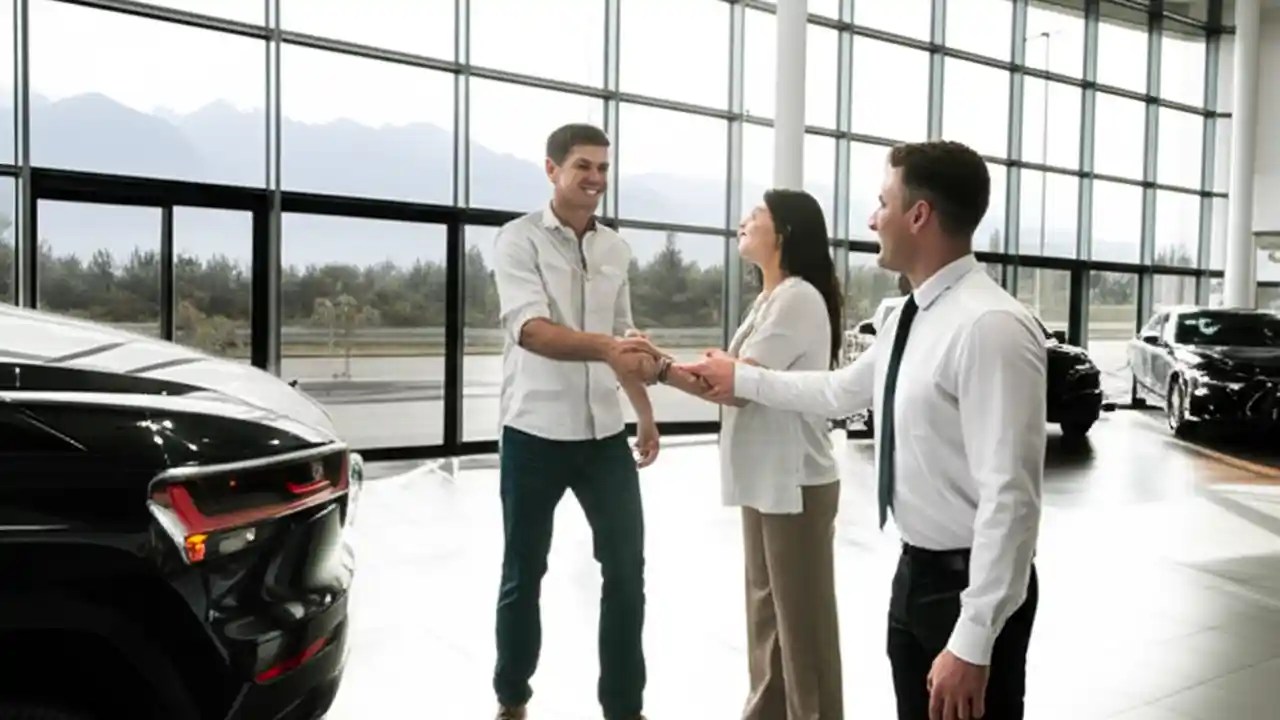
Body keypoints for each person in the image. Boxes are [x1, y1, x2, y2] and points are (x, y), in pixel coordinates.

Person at [681, 140, 1046, 720]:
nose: (873, 219)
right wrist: (742, 380)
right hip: (915, 571)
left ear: (919, 215)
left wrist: (974, 638)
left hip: (970, 587)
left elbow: (1013, 498)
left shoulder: (991, 326)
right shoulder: (907, 316)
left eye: (883, 203)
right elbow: (837, 391)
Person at [490, 122, 666, 720]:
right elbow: (530, 330)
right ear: (551, 170)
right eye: (583, 167)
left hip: (602, 438)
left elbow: (624, 339)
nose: (595, 180)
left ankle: (625, 708)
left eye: (604, 169)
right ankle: (512, 697)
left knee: (626, 575)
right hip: (533, 434)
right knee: (523, 573)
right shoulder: (517, 241)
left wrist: (643, 414)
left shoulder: (616, 249)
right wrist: (610, 349)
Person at [657, 189, 846, 719]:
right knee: (768, 619)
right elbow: (736, 378)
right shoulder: (770, 299)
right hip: (768, 478)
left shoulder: (798, 298)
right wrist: (692, 369)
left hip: (796, 481)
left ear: (782, 232)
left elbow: (736, 385)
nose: (743, 222)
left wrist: (660, 368)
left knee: (800, 631)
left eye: (755, 216)